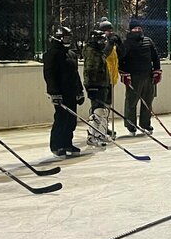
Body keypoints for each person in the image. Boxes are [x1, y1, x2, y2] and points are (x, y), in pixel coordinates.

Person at [43, 25, 85, 157]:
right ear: (58, 38)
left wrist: (80, 91)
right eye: (65, 38)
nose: (68, 41)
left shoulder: (72, 54)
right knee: (61, 118)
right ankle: (56, 145)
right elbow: (49, 74)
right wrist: (54, 92)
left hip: (71, 92)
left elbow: (75, 74)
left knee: (71, 119)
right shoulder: (52, 54)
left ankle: (67, 143)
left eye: (69, 38)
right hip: (60, 93)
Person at [118, 16, 161, 135]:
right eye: (135, 29)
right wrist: (124, 74)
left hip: (148, 76)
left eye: (139, 28)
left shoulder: (148, 41)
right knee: (131, 102)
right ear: (131, 30)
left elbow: (155, 57)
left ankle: (145, 124)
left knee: (148, 101)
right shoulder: (126, 43)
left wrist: (157, 71)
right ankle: (131, 125)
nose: (138, 30)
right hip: (134, 77)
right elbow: (121, 61)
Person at [83, 17, 121, 147]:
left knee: (105, 109)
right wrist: (109, 44)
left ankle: (102, 131)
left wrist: (119, 44)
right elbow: (102, 57)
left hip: (107, 80)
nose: (109, 33)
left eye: (111, 30)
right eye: (106, 31)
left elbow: (116, 57)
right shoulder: (93, 50)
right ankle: (93, 133)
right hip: (96, 84)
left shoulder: (103, 45)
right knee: (98, 109)